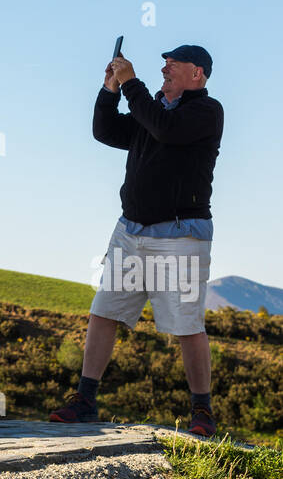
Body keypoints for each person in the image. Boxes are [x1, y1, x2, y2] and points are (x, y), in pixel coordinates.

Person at [50, 44, 223, 436]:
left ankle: (202, 410)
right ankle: (85, 401)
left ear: (197, 73)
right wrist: (110, 89)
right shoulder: (152, 110)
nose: (165, 69)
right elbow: (105, 131)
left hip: (181, 237)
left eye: (173, 64)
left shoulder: (206, 111)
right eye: (164, 64)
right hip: (130, 232)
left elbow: (166, 129)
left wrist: (131, 83)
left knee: (187, 325)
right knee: (104, 312)